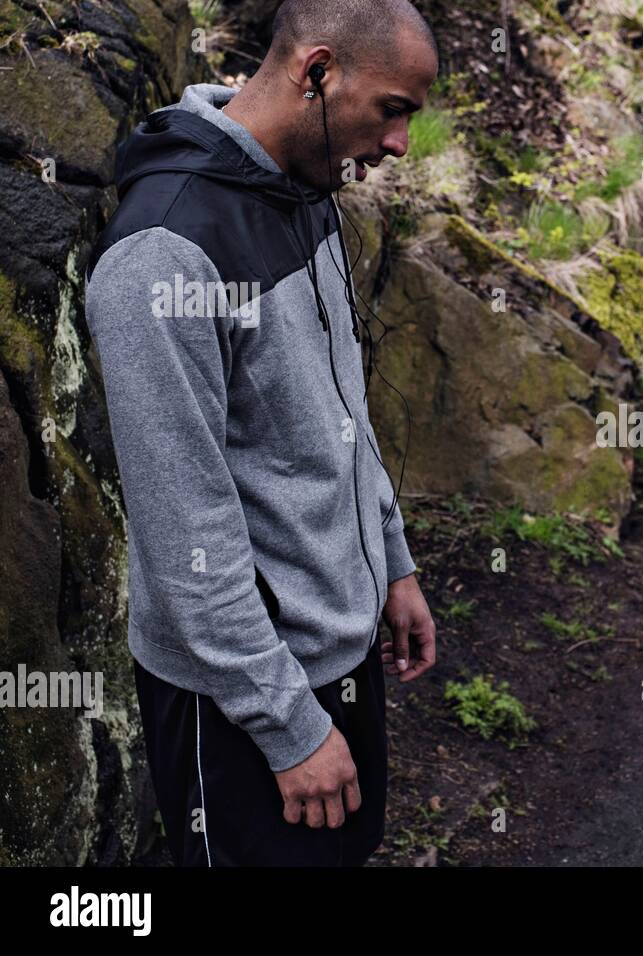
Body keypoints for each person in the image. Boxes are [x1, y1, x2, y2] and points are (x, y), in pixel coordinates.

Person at [84, 0, 441, 865]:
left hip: (336, 650)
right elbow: (184, 536)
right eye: (393, 109)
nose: (399, 145)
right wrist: (288, 728)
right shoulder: (162, 255)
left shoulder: (305, 189)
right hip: (242, 699)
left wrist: (388, 560)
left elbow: (339, 407)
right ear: (317, 73)